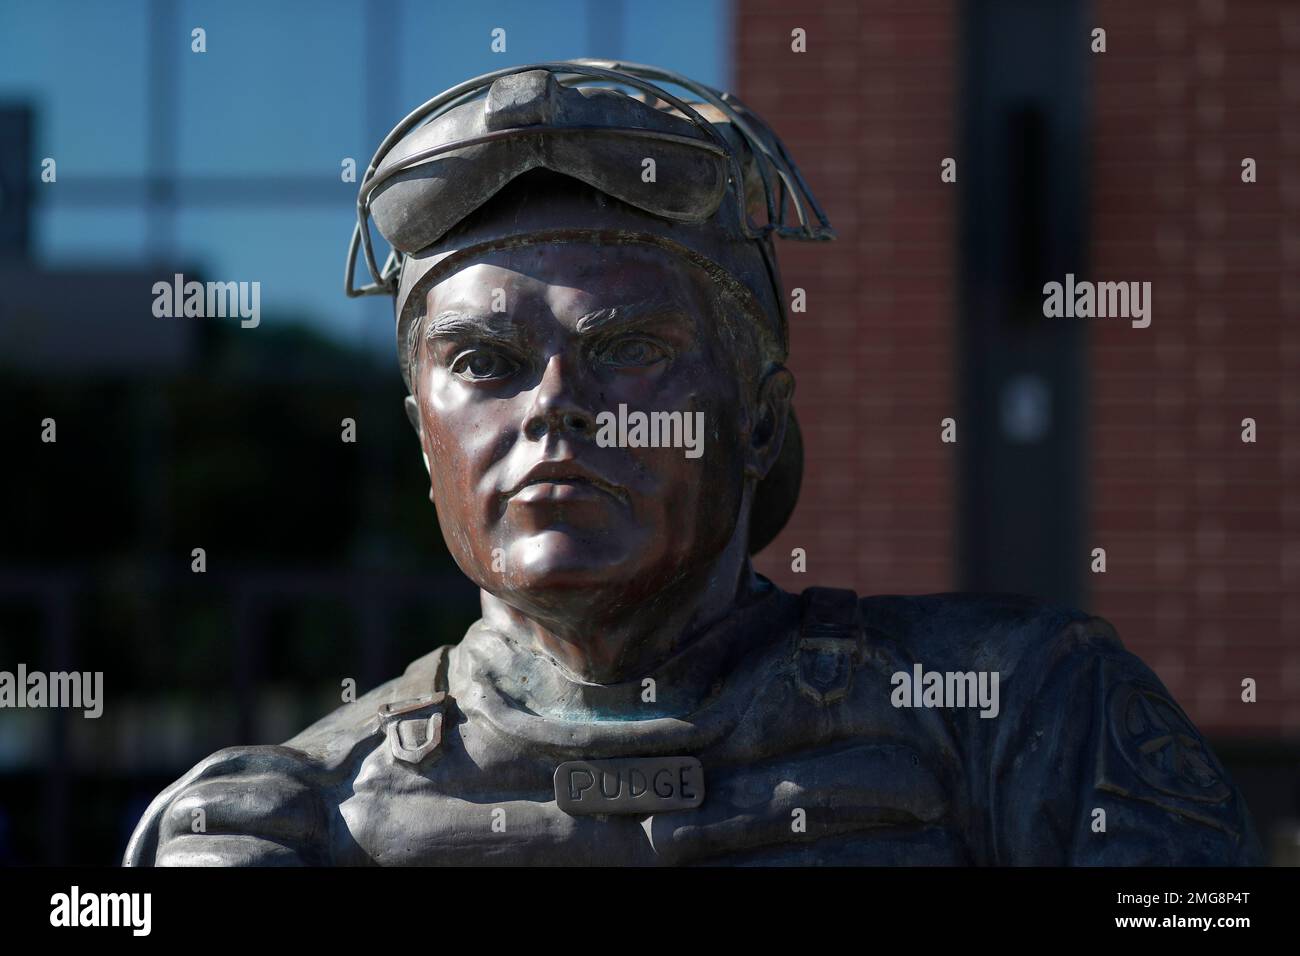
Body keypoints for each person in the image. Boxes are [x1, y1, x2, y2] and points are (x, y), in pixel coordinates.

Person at [124, 61, 1262, 866]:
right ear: (427, 441)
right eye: (483, 361)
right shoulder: (302, 812)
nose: (557, 407)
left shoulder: (1025, 716)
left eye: (628, 348)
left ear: (758, 420)